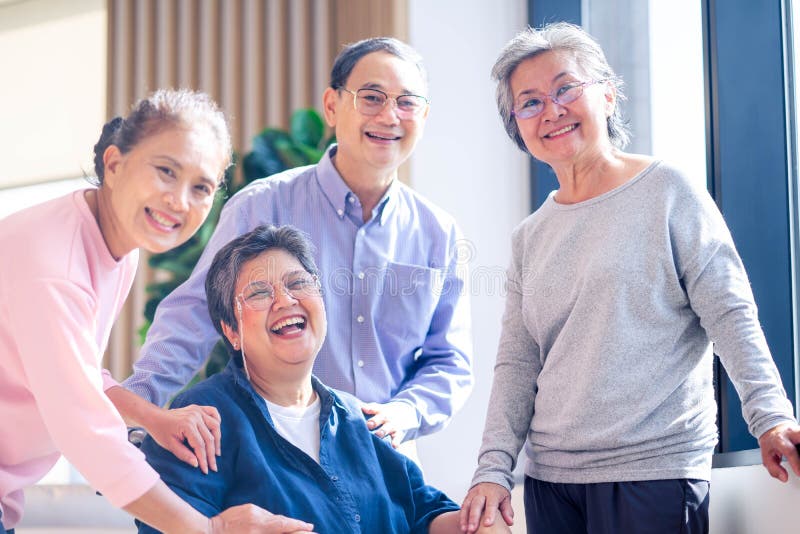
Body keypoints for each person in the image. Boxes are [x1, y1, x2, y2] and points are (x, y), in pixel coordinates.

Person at [459, 22, 800, 534]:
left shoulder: (668, 191)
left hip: (655, 471)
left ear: (609, 95)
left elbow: (730, 312)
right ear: (518, 127)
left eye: (565, 88)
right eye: (529, 103)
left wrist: (769, 416)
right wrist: (492, 469)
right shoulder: (530, 236)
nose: (551, 110)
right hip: (552, 482)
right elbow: (516, 365)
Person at [119, 37, 473, 456]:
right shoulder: (262, 204)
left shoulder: (439, 232)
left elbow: (448, 361)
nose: (390, 116)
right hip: (274, 461)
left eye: (407, 102)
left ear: (424, 115)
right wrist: (134, 410)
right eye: (372, 97)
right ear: (331, 106)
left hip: (384, 466)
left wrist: (406, 413)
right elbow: (193, 316)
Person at [0, 89, 313, 534]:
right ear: (114, 164)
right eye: (166, 171)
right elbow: (85, 432)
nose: (180, 202)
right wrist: (211, 529)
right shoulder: (56, 266)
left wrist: (152, 417)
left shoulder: (116, 249)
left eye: (201, 187)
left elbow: (77, 374)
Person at [137, 224, 505, 534]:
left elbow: (424, 513)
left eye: (298, 283)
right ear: (231, 331)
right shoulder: (203, 420)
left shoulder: (360, 419)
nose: (284, 301)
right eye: (260, 293)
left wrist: (479, 521)